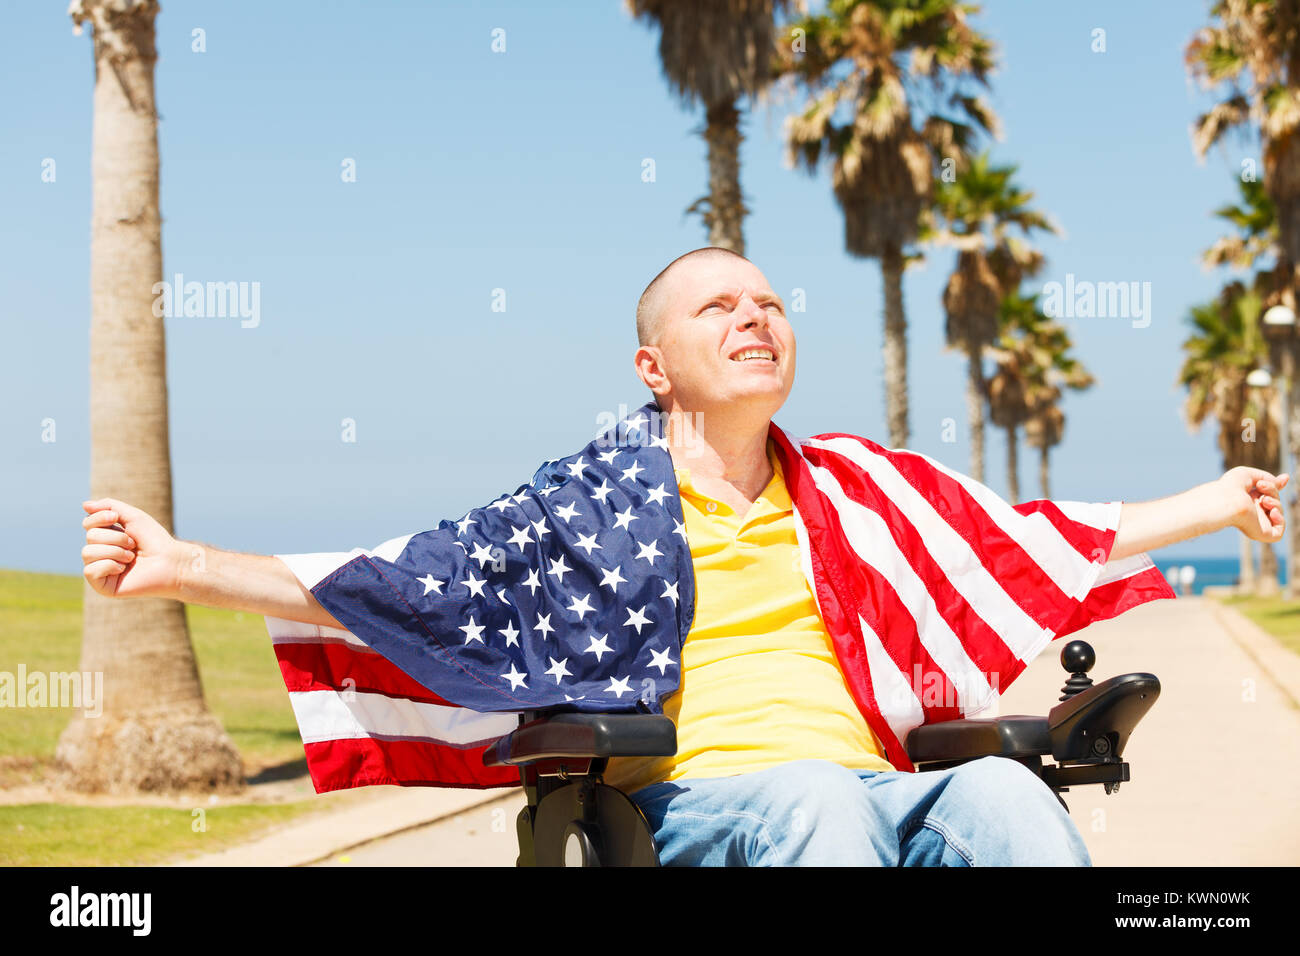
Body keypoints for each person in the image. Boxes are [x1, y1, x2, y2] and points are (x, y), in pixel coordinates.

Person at [80, 246, 1289, 866]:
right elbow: (399, 582)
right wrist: (180, 562)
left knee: (1002, 795)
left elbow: (1037, 539)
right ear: (652, 368)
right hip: (696, 806)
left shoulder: (862, 486)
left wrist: (1212, 499)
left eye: (765, 302)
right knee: (816, 799)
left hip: (875, 790)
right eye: (715, 308)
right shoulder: (587, 504)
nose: (752, 316)